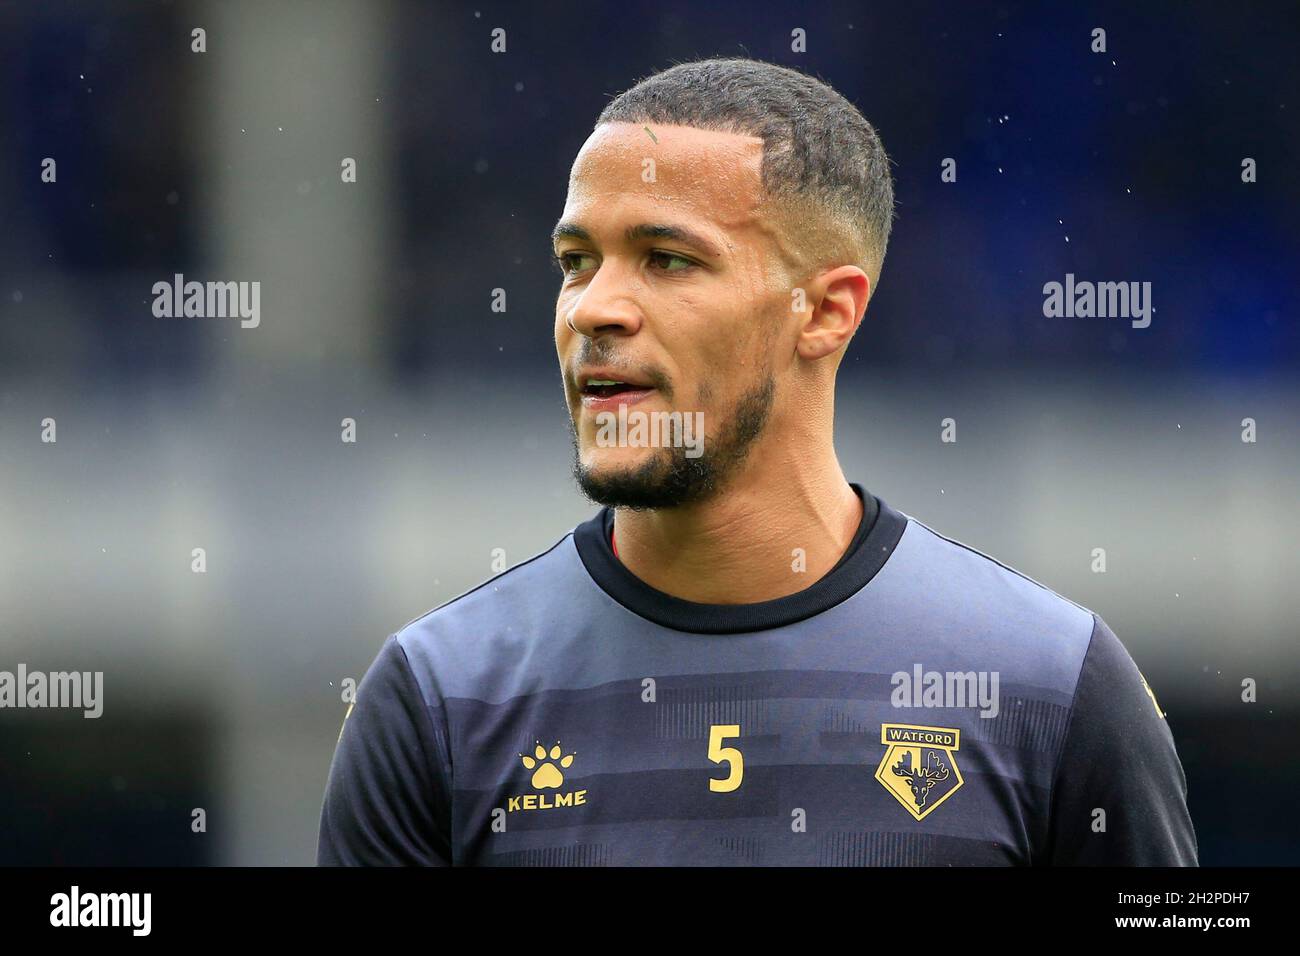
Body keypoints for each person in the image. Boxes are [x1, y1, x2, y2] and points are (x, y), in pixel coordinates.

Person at [317, 57, 1196, 866]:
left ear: (825, 312)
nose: (594, 309)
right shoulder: (439, 699)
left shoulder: (1051, 687)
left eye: (666, 259)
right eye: (576, 261)